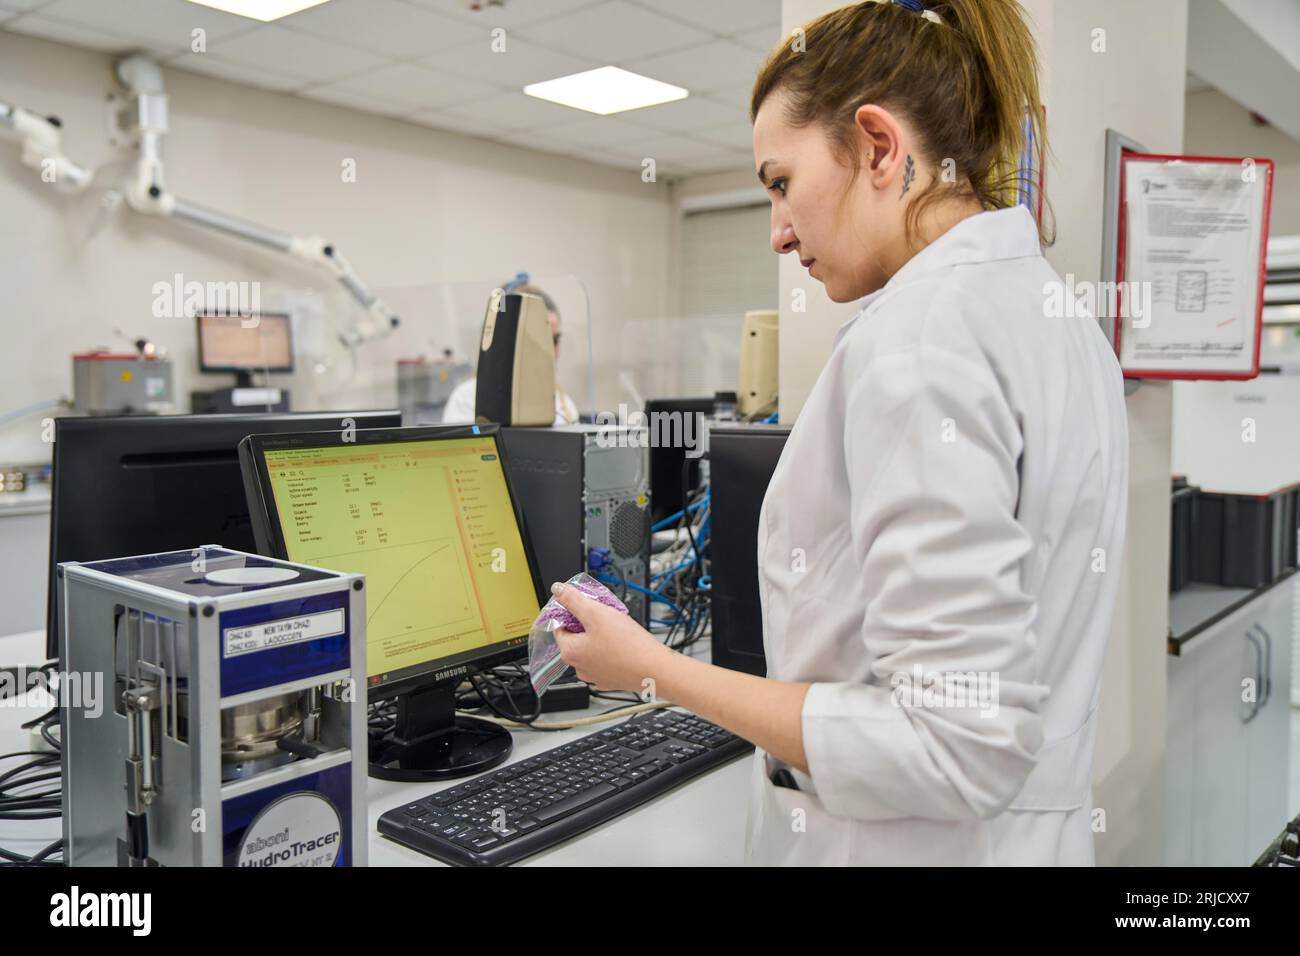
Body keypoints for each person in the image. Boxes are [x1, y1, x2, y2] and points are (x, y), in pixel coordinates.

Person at [545, 0, 1129, 866]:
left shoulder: (925, 341)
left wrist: (650, 669)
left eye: (781, 183)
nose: (779, 232)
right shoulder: (1055, 316)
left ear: (880, 147)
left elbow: (956, 743)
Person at [441, 282, 579, 425]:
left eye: (555, 340)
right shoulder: (467, 399)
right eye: (541, 343)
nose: (550, 352)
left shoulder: (563, 405)